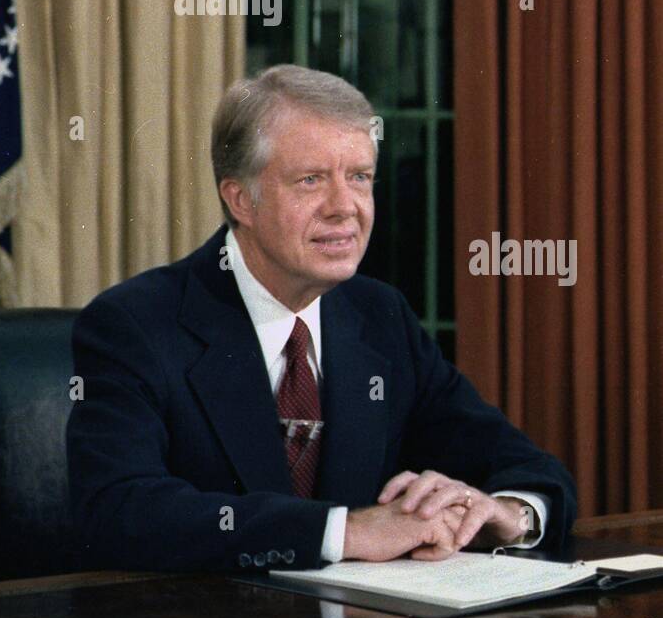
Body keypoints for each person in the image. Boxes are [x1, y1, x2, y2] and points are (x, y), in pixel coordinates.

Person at [66, 65, 576, 573]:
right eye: (310, 180)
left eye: (359, 177)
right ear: (240, 199)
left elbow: (521, 463)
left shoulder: (380, 316)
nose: (344, 207)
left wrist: (510, 513)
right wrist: (346, 532)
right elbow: (119, 510)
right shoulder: (135, 324)